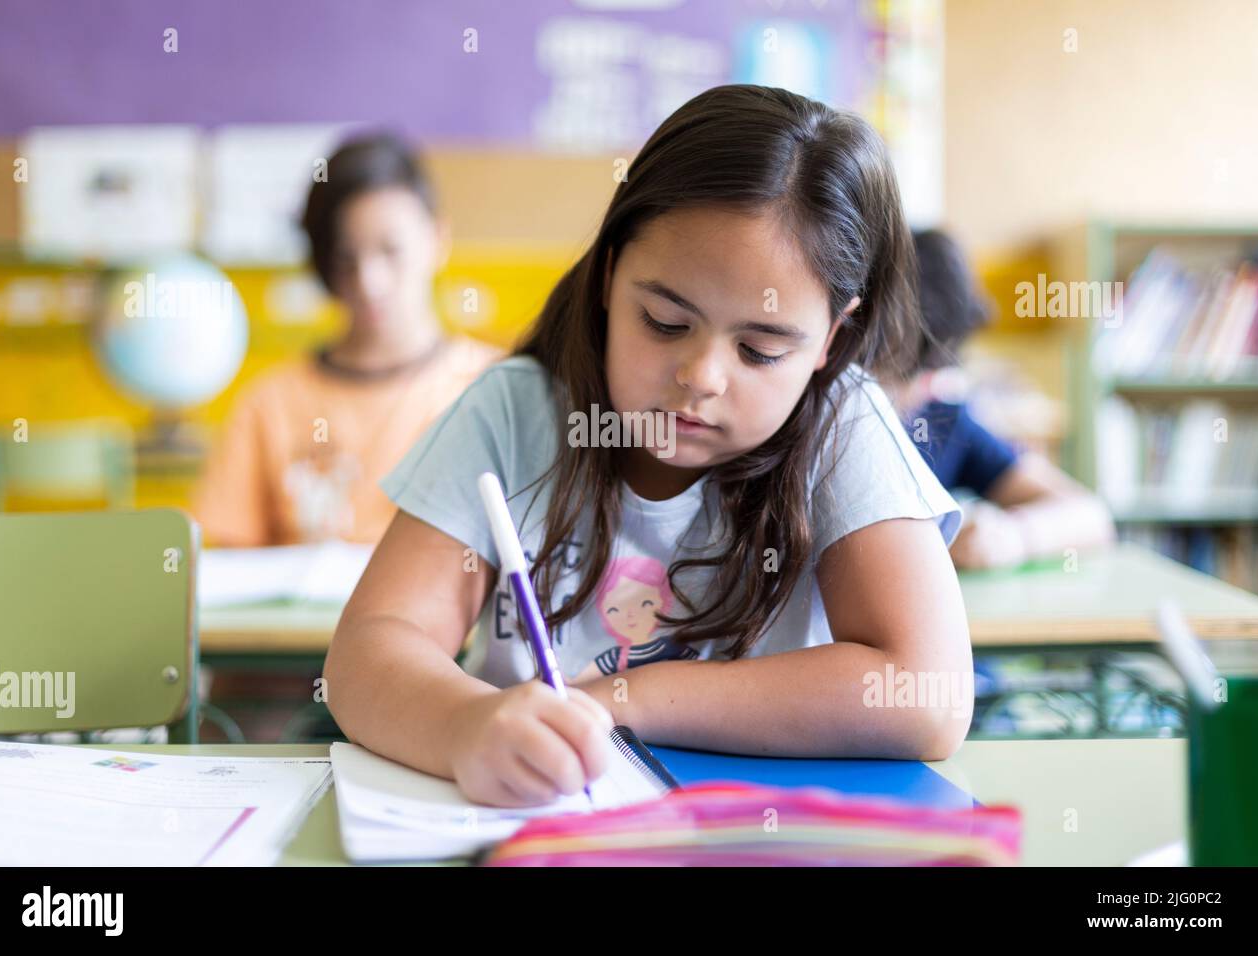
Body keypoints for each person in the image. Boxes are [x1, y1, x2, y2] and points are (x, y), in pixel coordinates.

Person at [325, 85, 973, 808]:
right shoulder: (514, 413)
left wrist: (627, 696)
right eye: (665, 321)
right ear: (608, 274)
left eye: (759, 350)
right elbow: (366, 656)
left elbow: (929, 693)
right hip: (541, 831)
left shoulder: (840, 425)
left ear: (831, 339)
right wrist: (465, 725)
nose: (700, 377)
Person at [193, 133, 502, 546]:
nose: (369, 281)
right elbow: (231, 562)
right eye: (345, 258)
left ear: (436, 240)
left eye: (390, 251)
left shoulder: (498, 388)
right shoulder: (270, 403)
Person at [886, 230, 1115, 571]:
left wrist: (1012, 536)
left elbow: (1091, 516)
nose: (899, 395)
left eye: (920, 370)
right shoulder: (829, 423)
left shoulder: (943, 423)